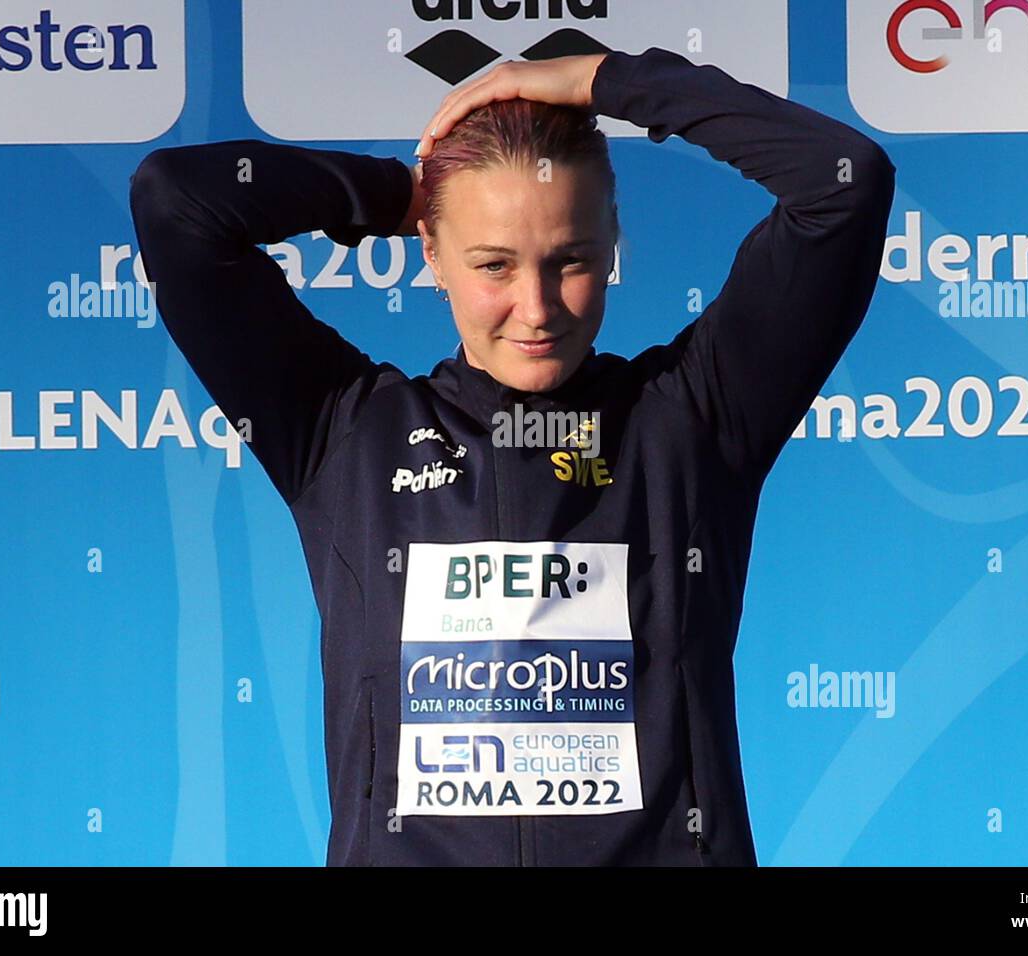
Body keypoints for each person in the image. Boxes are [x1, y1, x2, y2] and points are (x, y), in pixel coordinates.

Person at [128, 45, 896, 866]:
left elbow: (842, 179)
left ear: (612, 248)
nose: (536, 309)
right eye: (492, 262)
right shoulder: (345, 434)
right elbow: (176, 201)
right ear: (431, 256)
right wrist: (404, 193)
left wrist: (605, 81)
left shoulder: (693, 420)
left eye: (570, 261)